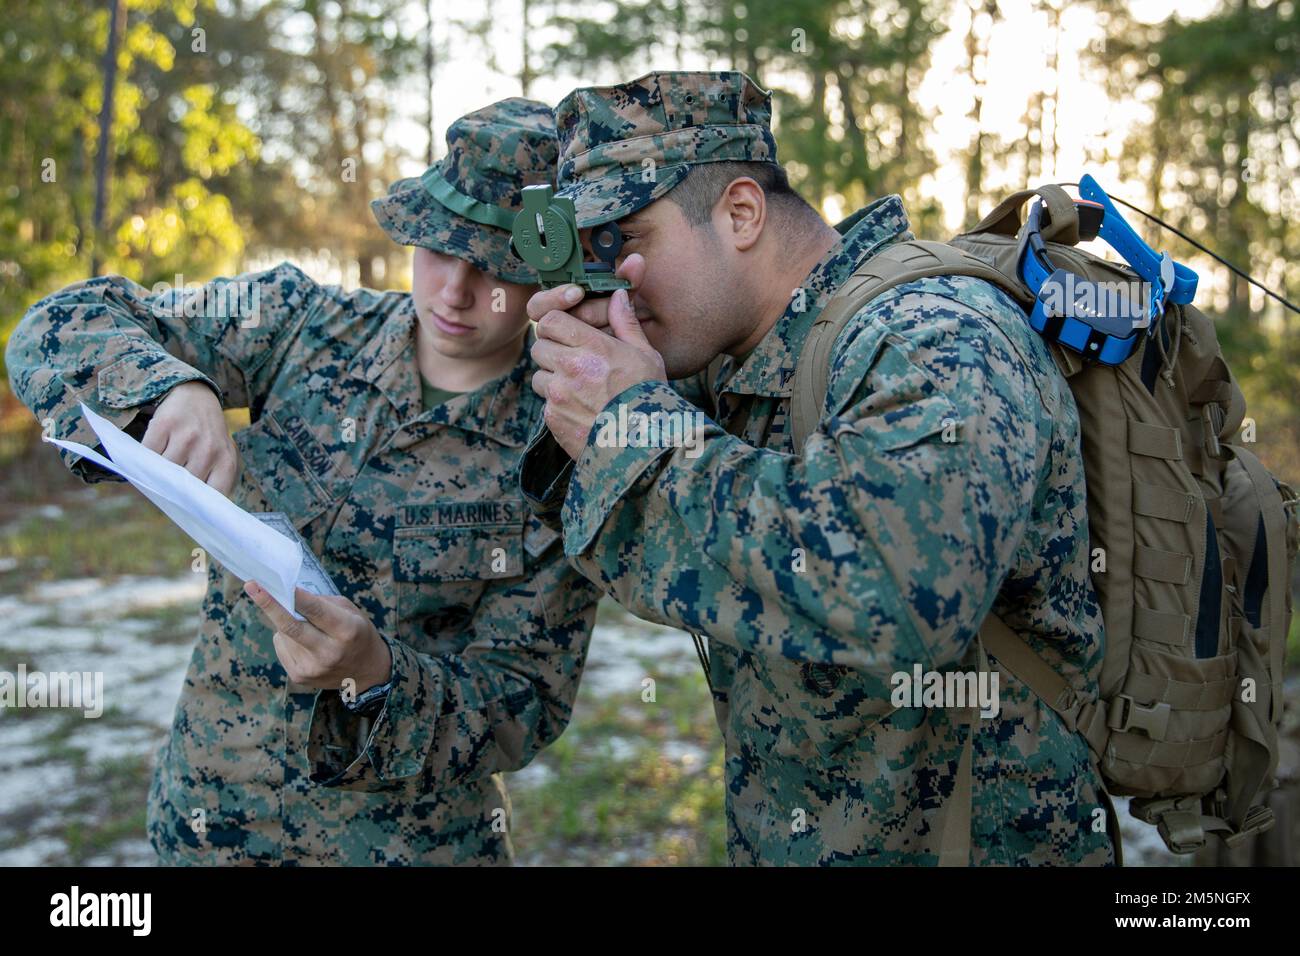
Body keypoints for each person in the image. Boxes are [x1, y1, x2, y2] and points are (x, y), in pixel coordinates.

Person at [519, 70, 1114, 865]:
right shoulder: (747, 362)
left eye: (622, 241)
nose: (608, 275)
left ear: (740, 212)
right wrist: (594, 386)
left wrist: (631, 429)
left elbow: (900, 592)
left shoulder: (931, 335)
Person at [6, 97, 601, 865]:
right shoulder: (302, 322)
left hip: (404, 846)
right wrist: (169, 388)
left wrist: (380, 675)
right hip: (212, 824)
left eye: (493, 266)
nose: (455, 290)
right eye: (437, 248)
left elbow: (523, 699)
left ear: (547, 274)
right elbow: (59, 322)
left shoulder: (564, 440)